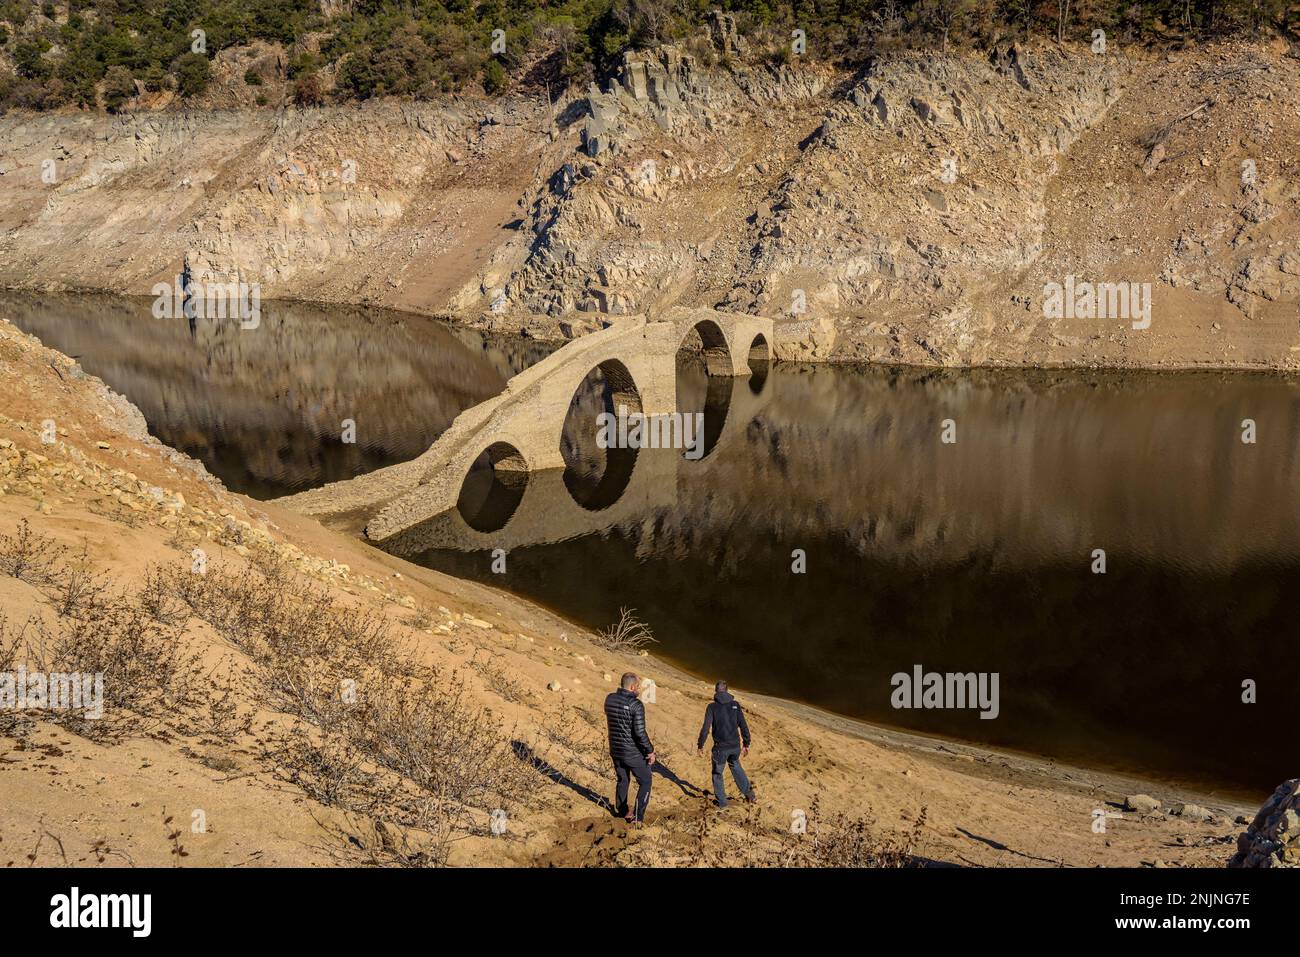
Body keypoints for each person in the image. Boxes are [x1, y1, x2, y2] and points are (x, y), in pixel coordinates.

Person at [604, 672, 656, 824]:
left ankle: (622, 811)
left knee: (623, 779)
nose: (640, 689)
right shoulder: (636, 705)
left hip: (615, 749)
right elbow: (639, 733)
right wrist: (650, 751)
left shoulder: (610, 699)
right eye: (638, 686)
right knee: (646, 781)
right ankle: (638, 817)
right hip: (632, 752)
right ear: (632, 687)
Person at [696, 680, 754, 808]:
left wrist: (700, 745)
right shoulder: (735, 705)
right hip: (735, 746)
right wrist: (746, 743)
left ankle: (722, 803)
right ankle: (750, 794)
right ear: (727, 691)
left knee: (717, 774)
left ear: (716, 691)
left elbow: (706, 728)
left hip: (720, 749)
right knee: (736, 766)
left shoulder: (712, 707)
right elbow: (743, 725)